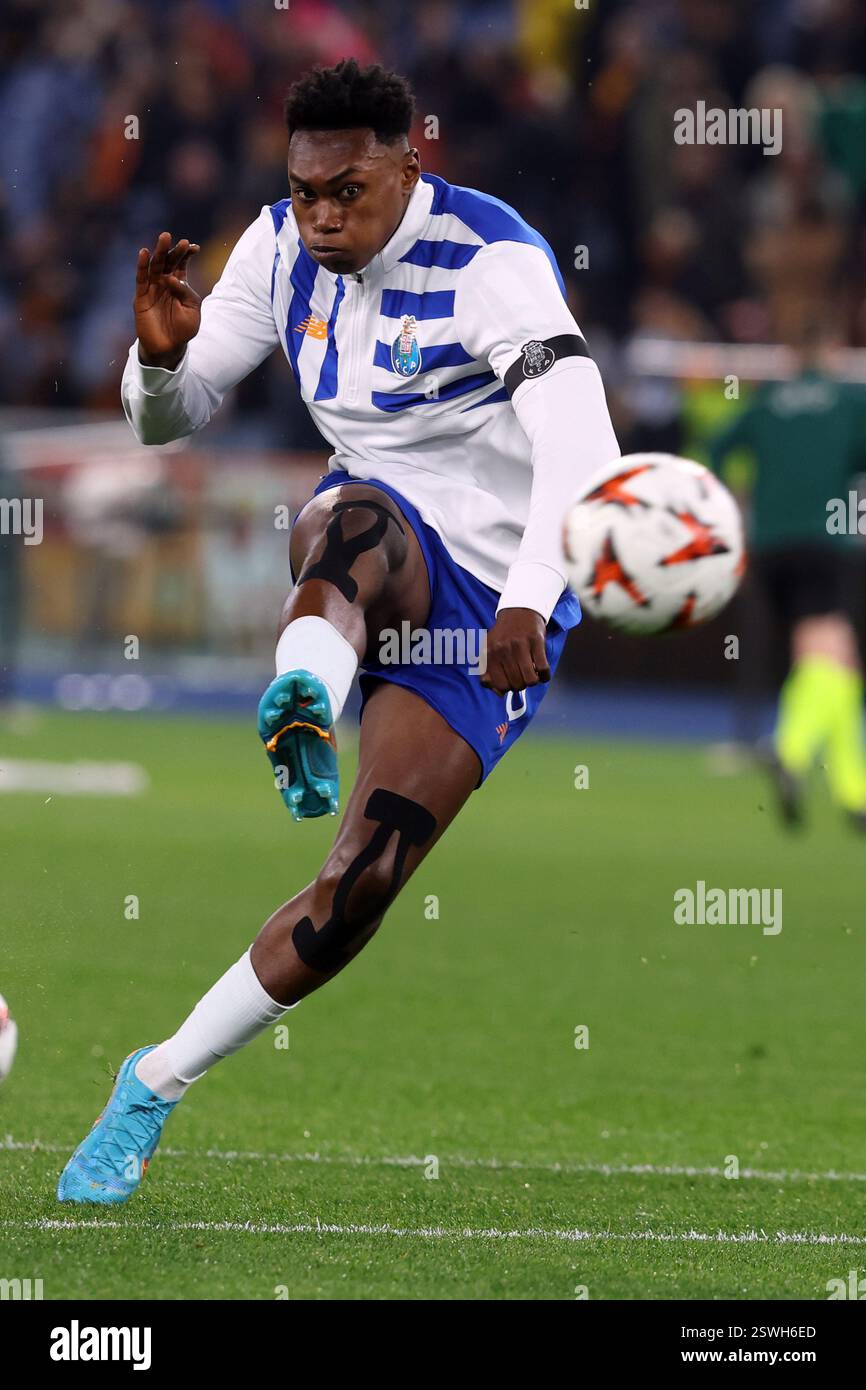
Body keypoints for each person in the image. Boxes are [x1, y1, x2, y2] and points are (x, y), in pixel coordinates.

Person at [57, 59, 619, 1204]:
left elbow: (583, 445)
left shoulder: (493, 261)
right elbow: (166, 421)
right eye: (305, 189)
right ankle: (303, 691)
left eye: (346, 190)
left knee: (357, 885)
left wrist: (527, 592)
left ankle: (151, 1083)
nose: (321, 215)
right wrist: (158, 361)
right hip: (377, 531)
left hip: (503, 581)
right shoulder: (274, 250)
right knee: (352, 520)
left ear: (410, 158)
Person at [709, 342, 866, 828]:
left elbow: (715, 448)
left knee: (832, 663)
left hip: (769, 548)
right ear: (834, 352)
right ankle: (790, 748)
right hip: (824, 542)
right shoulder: (848, 401)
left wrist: (730, 506)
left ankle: (854, 792)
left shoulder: (767, 400)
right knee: (832, 657)